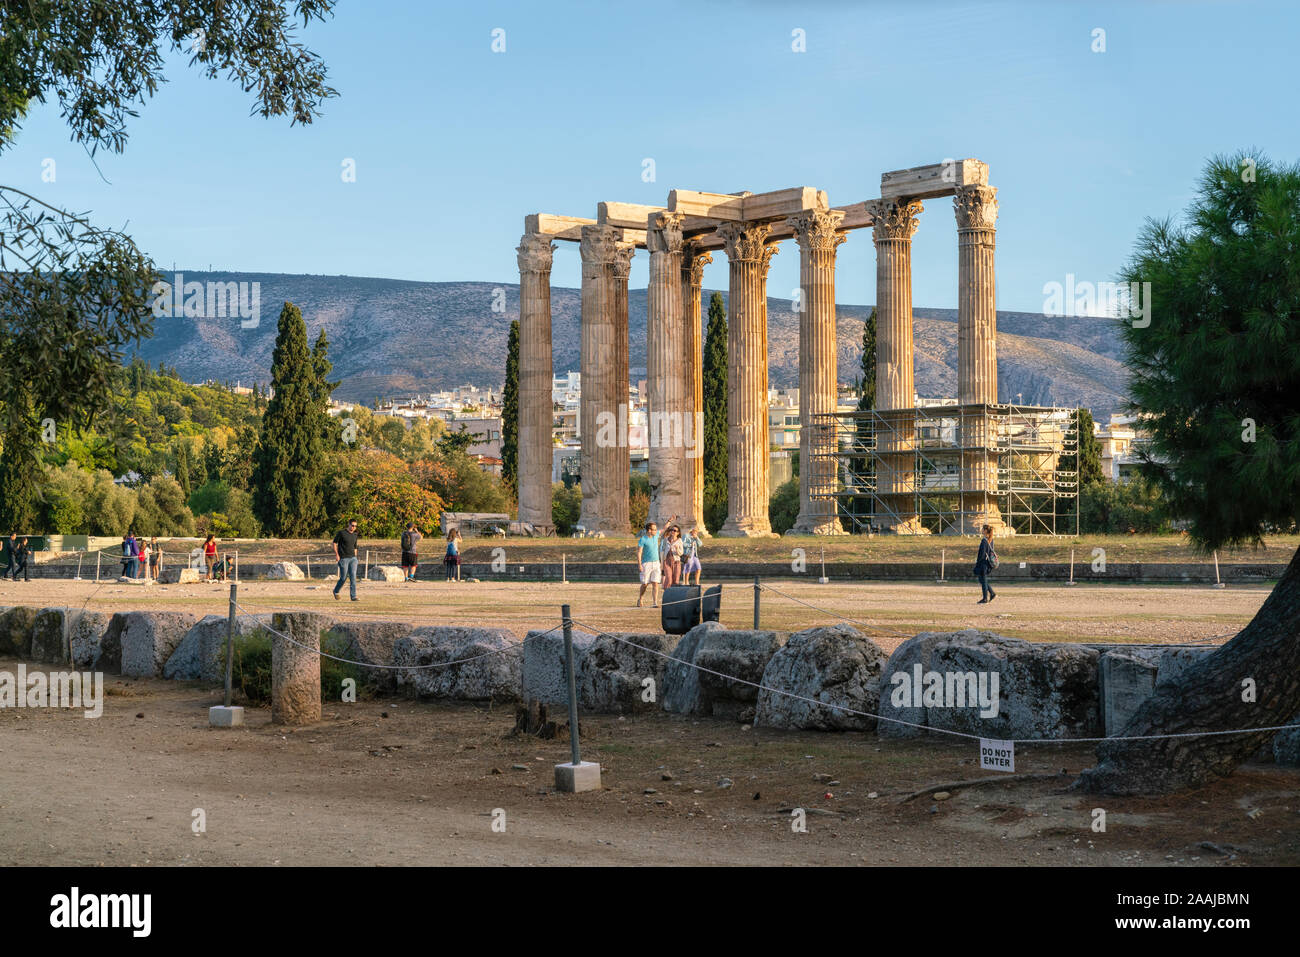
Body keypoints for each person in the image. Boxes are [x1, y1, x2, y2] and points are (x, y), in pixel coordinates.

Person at [636, 516, 673, 608]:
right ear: (649, 530)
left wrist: (669, 521)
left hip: (656, 563)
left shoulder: (656, 535)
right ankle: (640, 598)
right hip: (646, 564)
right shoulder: (643, 539)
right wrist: (640, 564)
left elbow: (664, 529)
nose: (656, 531)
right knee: (645, 584)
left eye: (656, 529)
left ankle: (655, 602)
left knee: (655, 583)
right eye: (654, 529)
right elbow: (639, 552)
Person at [333, 518, 360, 601]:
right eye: (352, 525)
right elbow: (334, 543)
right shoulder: (341, 533)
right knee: (343, 578)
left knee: (353, 577)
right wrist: (337, 555)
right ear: (349, 525)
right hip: (343, 558)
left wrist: (355, 557)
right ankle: (336, 591)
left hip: (353, 559)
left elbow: (355, 546)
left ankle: (353, 596)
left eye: (355, 526)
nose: (353, 527)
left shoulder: (355, 534)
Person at [973, 523, 998, 604]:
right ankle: (992, 593)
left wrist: (978, 563)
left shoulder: (984, 540)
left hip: (983, 563)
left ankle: (985, 599)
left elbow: (982, 553)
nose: (981, 530)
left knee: (983, 580)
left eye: (982, 529)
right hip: (988, 563)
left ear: (985, 530)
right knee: (982, 580)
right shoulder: (991, 540)